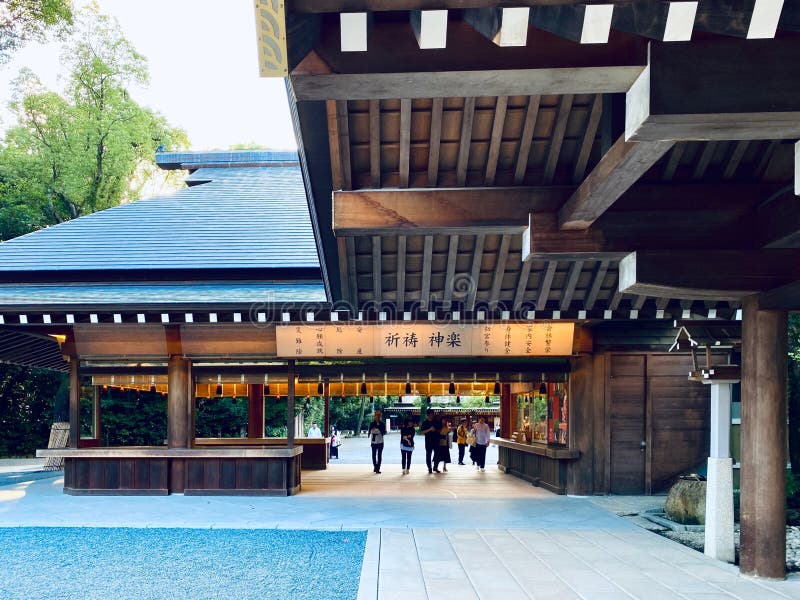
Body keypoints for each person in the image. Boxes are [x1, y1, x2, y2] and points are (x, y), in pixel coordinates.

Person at [420, 409, 440, 474]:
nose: (433, 415)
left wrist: (435, 430)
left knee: (437, 454)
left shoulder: (436, 421)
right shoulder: (425, 422)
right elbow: (422, 432)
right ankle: (429, 468)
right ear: (428, 415)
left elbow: (439, 430)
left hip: (436, 440)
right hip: (428, 441)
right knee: (428, 455)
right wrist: (430, 429)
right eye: (431, 414)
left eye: (433, 413)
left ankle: (435, 467)